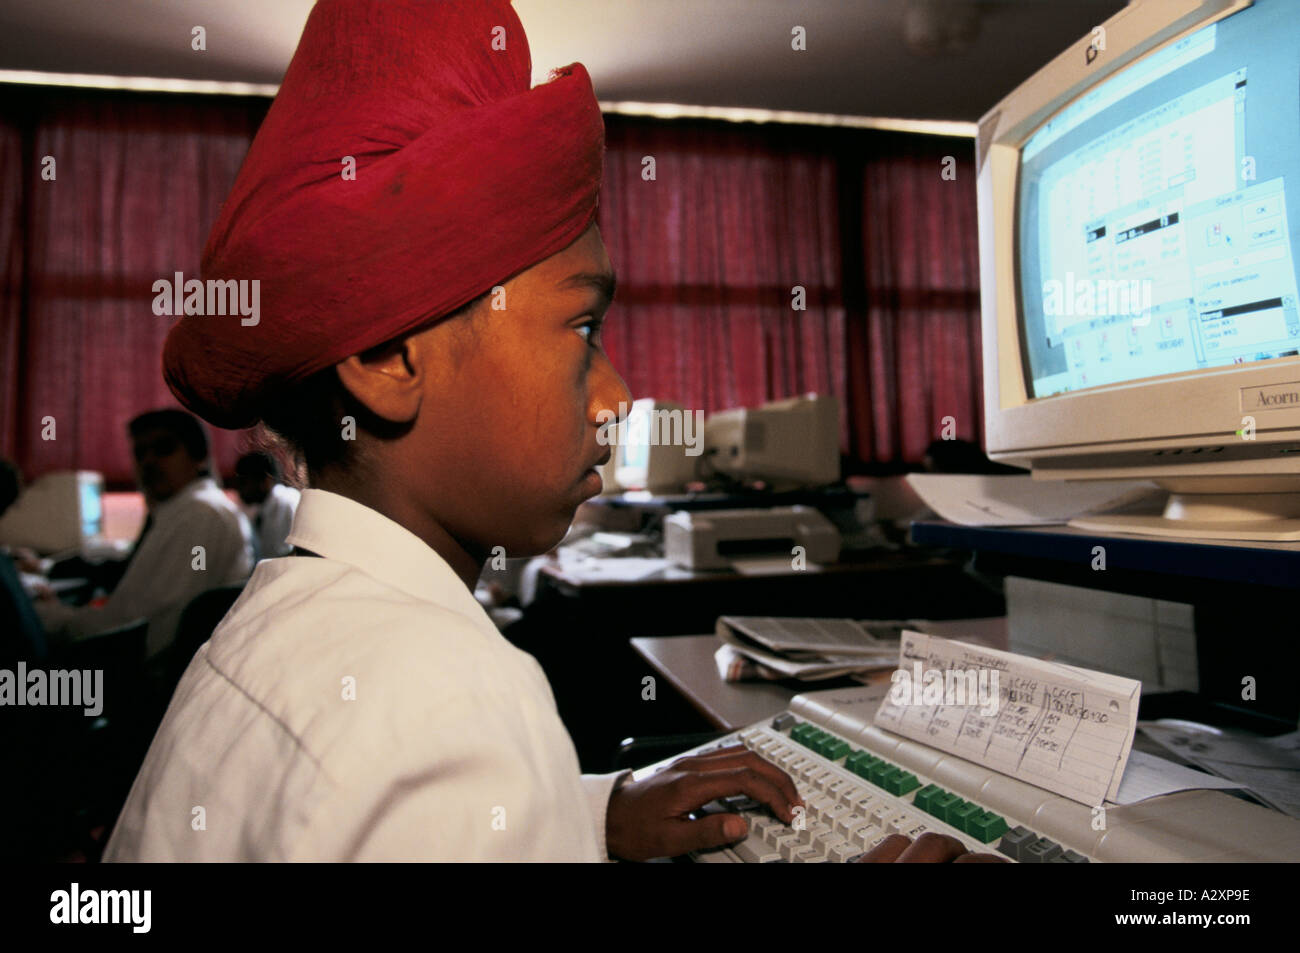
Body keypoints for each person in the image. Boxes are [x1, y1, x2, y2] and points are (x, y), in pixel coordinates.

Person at [104, 0, 996, 863]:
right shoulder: (455, 697)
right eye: (582, 329)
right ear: (386, 359)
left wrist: (584, 808)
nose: (616, 395)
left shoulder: (280, 627)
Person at [34, 410, 253, 660]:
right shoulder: (189, 509)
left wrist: (48, 614)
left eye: (163, 449)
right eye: (140, 453)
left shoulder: (197, 515)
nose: (148, 462)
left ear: (199, 457)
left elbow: (137, 630)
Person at [233, 451, 300, 560]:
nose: (239, 489)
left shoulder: (287, 502)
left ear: (266, 481)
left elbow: (288, 555)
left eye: (244, 482)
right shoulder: (257, 508)